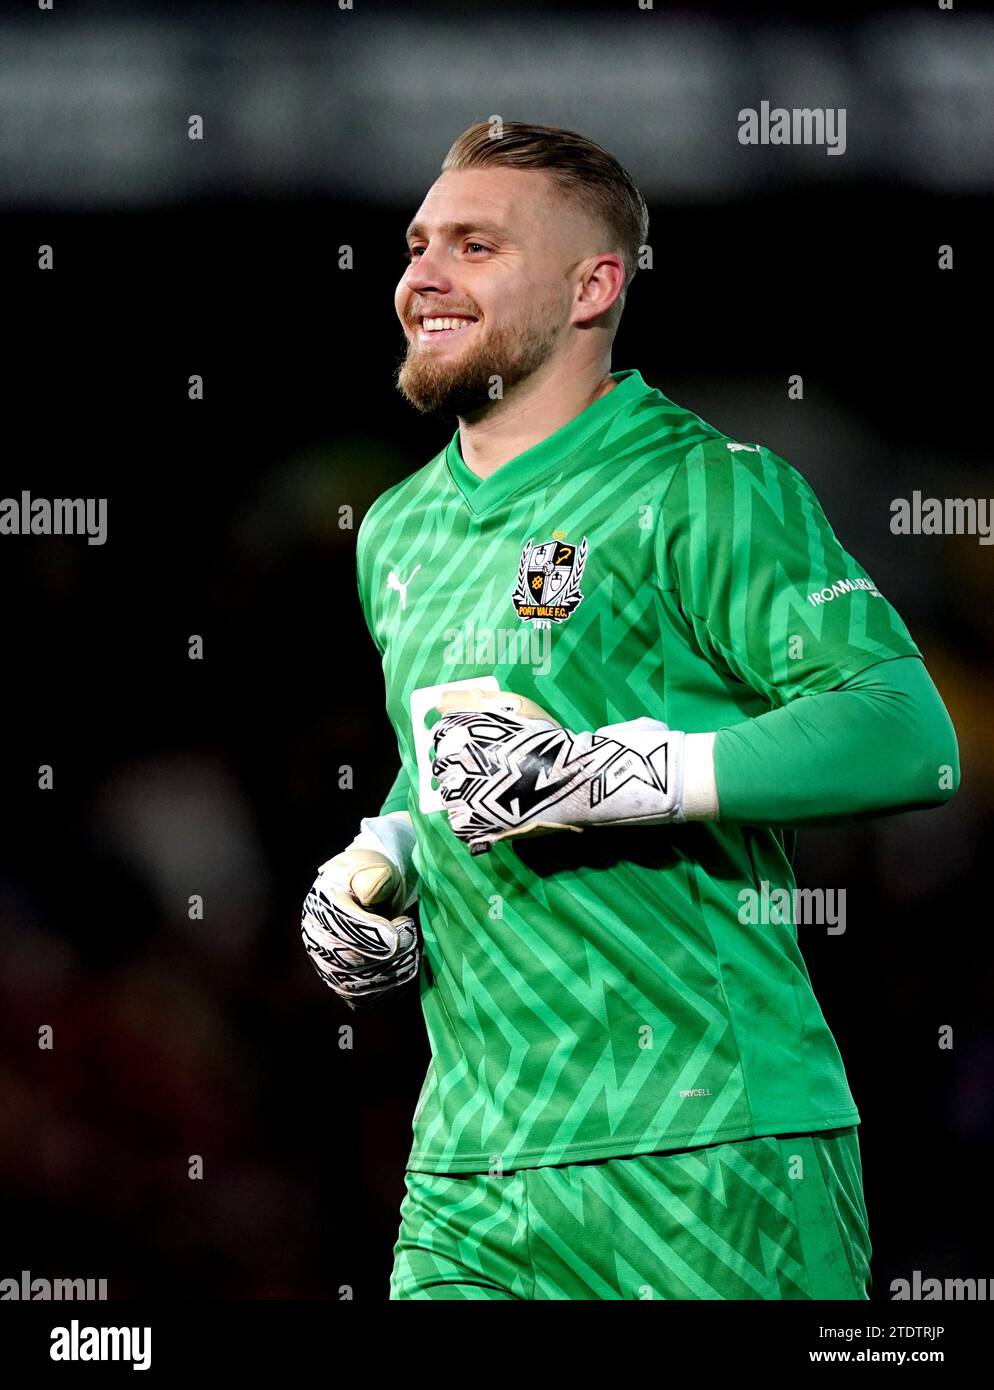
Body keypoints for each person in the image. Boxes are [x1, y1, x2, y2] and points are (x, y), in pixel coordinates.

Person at [301, 120, 960, 1300]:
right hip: (472, 1170)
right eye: (415, 245)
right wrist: (385, 847)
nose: (420, 277)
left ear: (593, 283)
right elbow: (448, 757)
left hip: (713, 1151)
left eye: (474, 245)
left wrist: (624, 774)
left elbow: (903, 730)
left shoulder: (704, 486)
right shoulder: (395, 531)